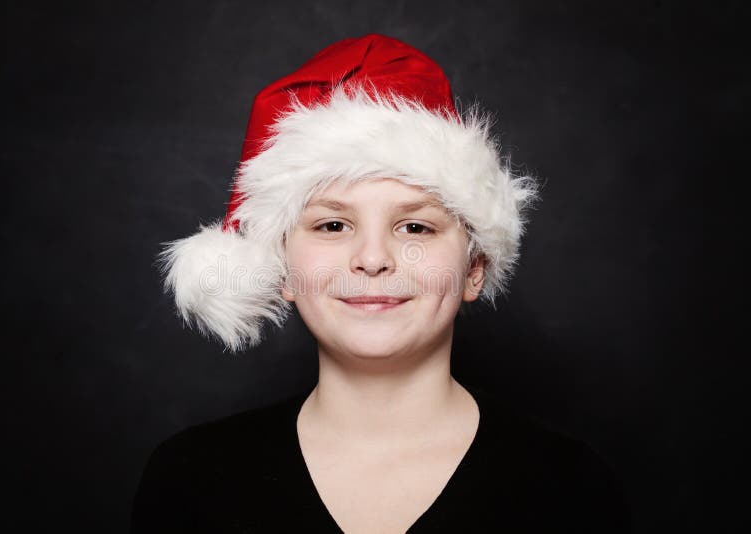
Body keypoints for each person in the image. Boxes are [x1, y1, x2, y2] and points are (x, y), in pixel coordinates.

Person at [131, 34, 633, 533]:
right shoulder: (190, 481)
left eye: (415, 226)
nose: (372, 259)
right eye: (332, 225)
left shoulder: (572, 489)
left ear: (474, 267)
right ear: (280, 265)